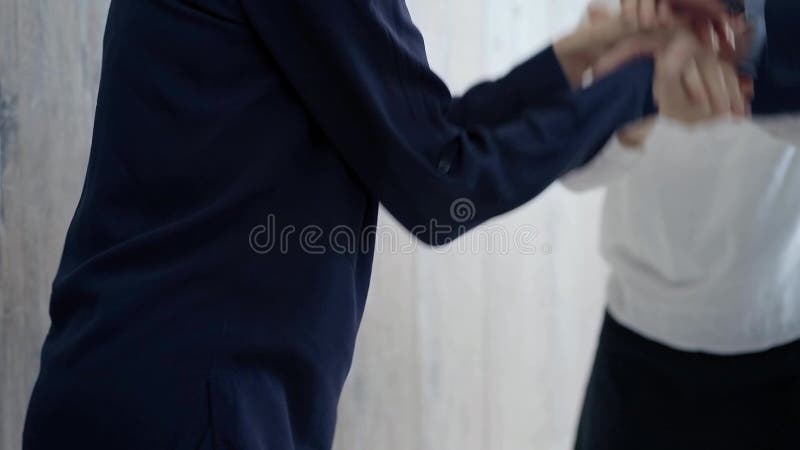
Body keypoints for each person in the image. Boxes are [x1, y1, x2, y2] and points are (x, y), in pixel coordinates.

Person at [22, 1, 740, 449]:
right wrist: (640, 88)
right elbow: (440, 186)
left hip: (156, 385)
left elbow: (420, 132)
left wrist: (583, 58)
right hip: (195, 406)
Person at [565, 1, 800, 449]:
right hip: (639, 356)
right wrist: (634, 111)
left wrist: (743, 64)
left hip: (783, 349)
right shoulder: (633, 11)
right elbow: (572, 167)